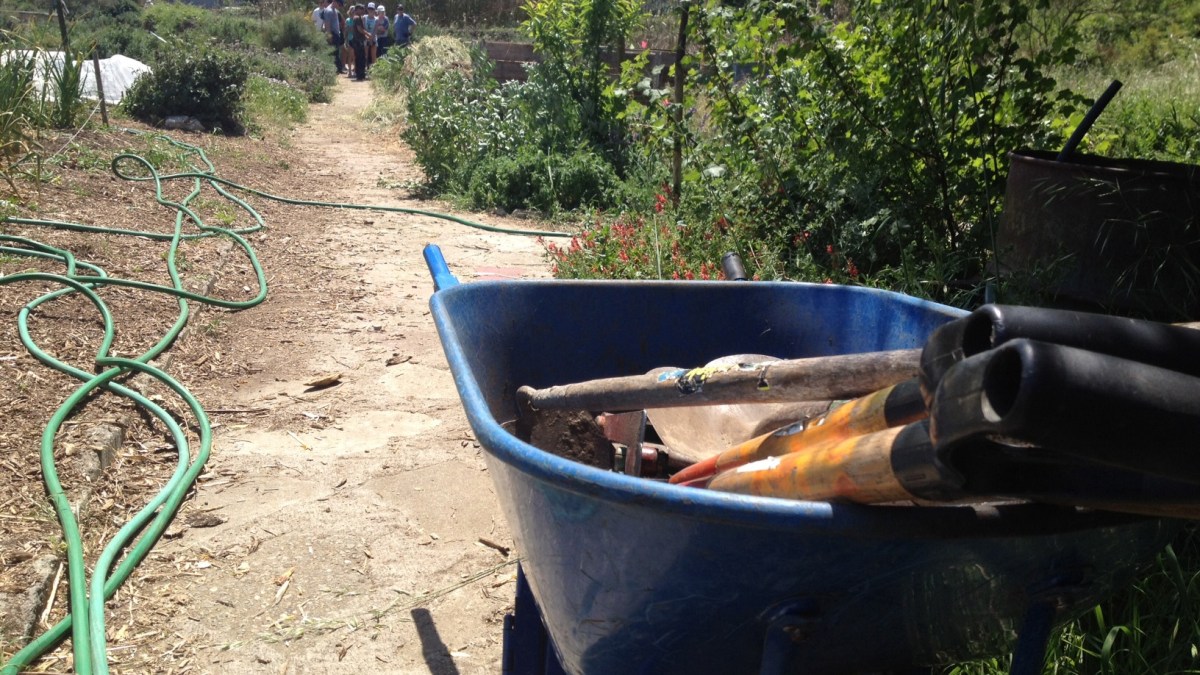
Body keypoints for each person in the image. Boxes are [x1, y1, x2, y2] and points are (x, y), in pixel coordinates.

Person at [349, 4, 370, 81]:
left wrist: (366, 36)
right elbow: (359, 29)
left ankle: (360, 74)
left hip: (358, 40)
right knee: (360, 58)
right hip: (358, 41)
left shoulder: (356, 18)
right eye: (361, 9)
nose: (363, 11)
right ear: (357, 9)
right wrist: (368, 34)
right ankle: (360, 75)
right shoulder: (357, 18)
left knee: (359, 58)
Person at [364, 2, 378, 66]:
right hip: (365, 37)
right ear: (367, 9)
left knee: (373, 55)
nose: (371, 10)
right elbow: (363, 28)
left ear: (374, 10)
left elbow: (375, 30)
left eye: (372, 9)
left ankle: (373, 70)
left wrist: (371, 39)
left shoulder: (376, 19)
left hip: (373, 38)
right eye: (369, 9)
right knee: (365, 55)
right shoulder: (364, 17)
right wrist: (367, 37)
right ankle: (365, 69)